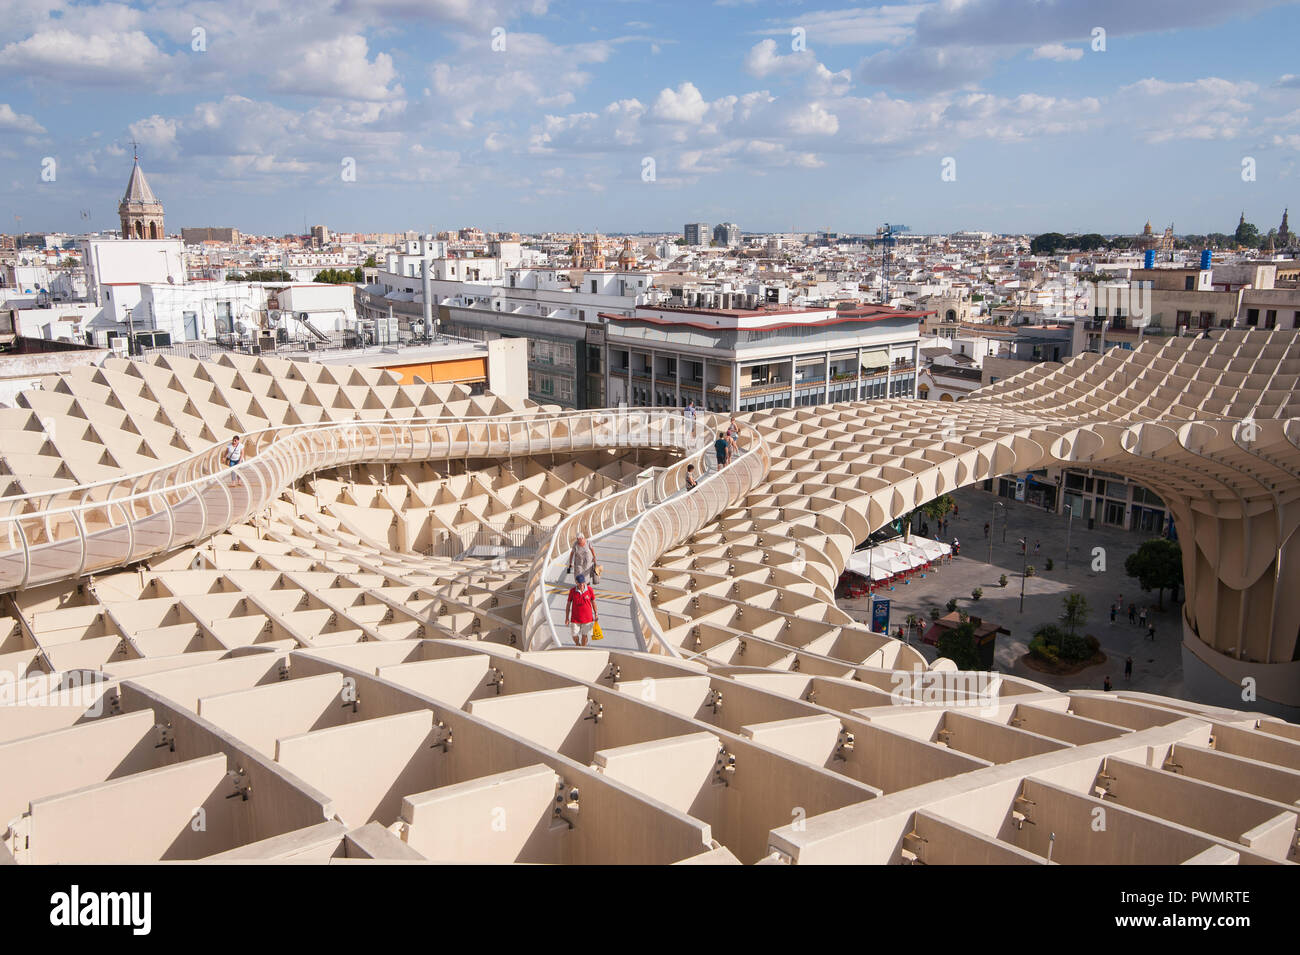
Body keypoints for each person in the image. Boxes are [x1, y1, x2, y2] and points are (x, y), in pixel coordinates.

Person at [565, 573, 598, 647]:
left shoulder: (589, 590)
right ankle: (577, 644)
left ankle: (583, 649)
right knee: (574, 635)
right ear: (576, 582)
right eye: (579, 583)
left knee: (584, 635)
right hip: (575, 618)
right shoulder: (572, 591)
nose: (581, 585)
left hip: (587, 618)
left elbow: (593, 602)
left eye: (583, 583)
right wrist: (567, 617)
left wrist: (596, 613)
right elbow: (568, 605)